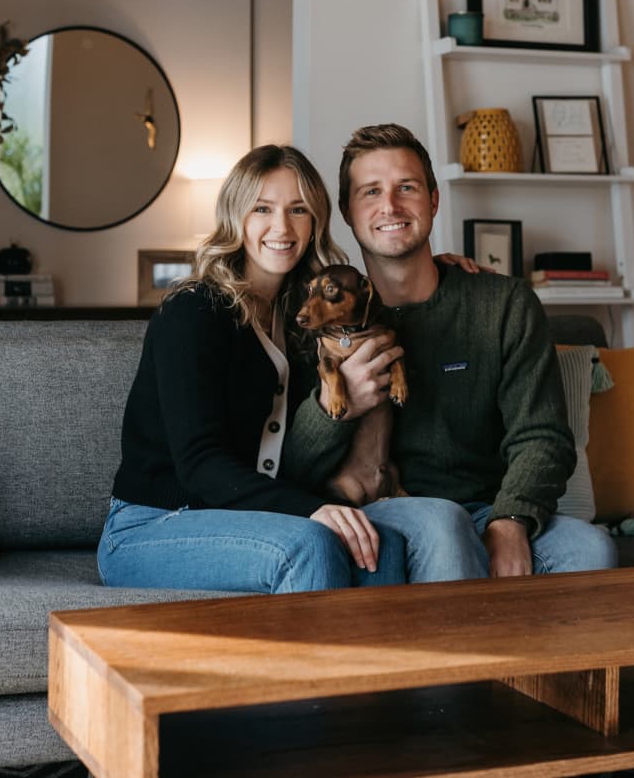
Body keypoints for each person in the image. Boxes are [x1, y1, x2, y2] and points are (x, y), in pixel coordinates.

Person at [283, 124, 617, 582]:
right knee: (443, 523)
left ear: (434, 200)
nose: (390, 206)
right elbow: (294, 467)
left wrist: (511, 519)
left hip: (486, 509)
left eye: (407, 187)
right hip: (384, 512)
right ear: (347, 210)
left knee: (590, 548)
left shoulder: (503, 304)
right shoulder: (320, 319)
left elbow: (541, 435)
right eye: (371, 192)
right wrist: (336, 407)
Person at [99, 144, 406, 594]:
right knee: (309, 545)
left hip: (250, 518)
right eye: (262, 208)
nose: (282, 227)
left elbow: (385, 317)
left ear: (315, 222)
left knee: (382, 545)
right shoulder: (193, 311)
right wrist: (310, 509)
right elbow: (199, 464)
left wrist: (448, 270)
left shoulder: (303, 317)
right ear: (236, 217)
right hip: (152, 526)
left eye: (298, 209)